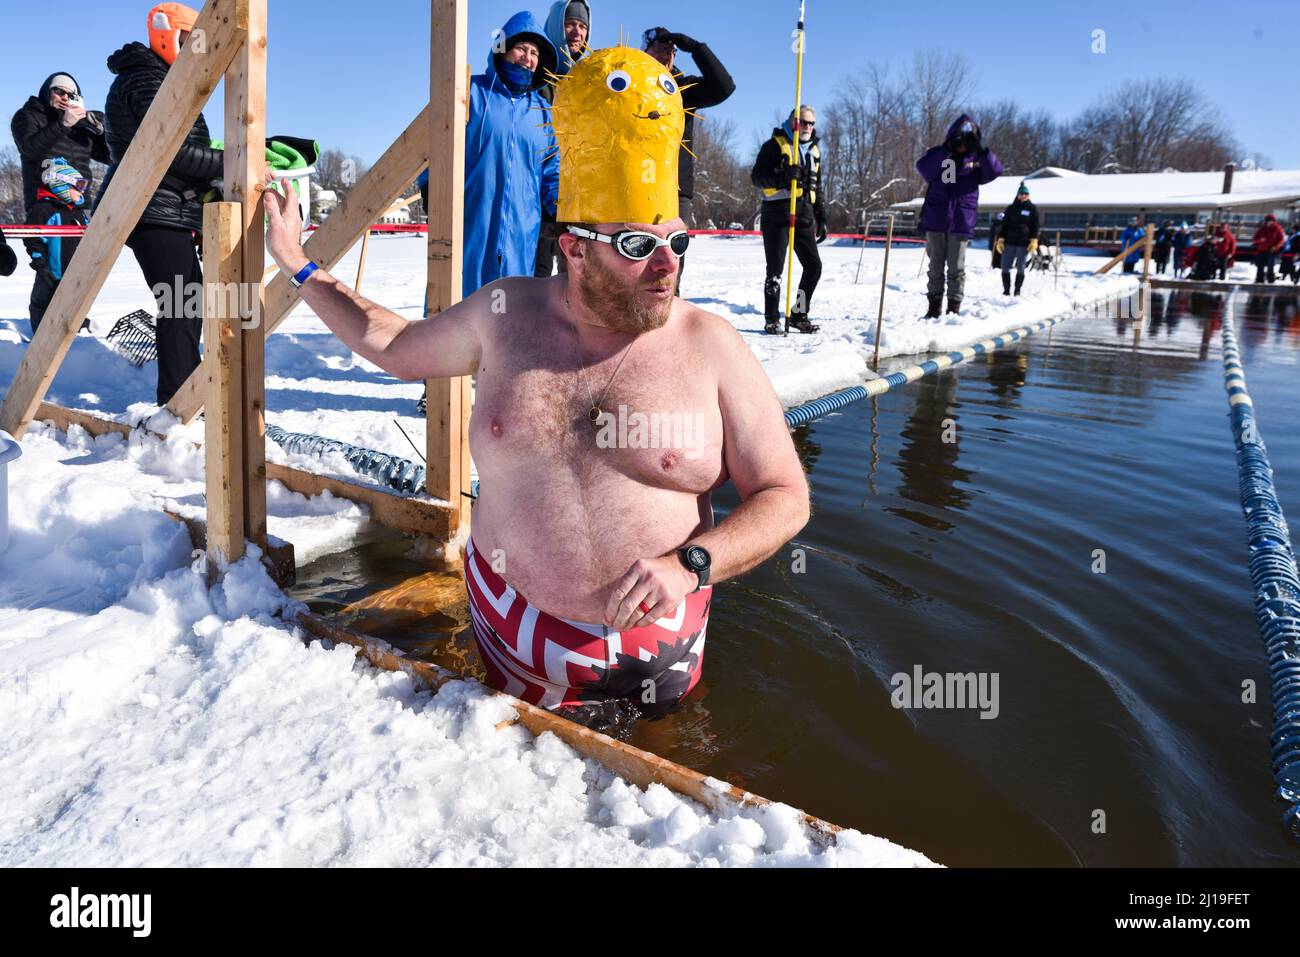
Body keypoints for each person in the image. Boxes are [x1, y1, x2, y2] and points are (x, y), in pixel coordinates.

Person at [262, 45, 810, 718]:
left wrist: (691, 564)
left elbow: (785, 495)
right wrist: (297, 262)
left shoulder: (711, 346)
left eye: (678, 242)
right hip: (507, 630)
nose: (667, 266)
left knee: (662, 766)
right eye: (638, 246)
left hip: (658, 651)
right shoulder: (505, 315)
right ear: (575, 248)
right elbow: (399, 347)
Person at [101, 3, 221, 406]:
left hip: (166, 207)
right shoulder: (146, 79)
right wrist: (237, 158)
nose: (193, 52)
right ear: (167, 35)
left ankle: (182, 396)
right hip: (150, 208)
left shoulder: (164, 78)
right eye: (188, 41)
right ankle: (178, 401)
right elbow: (175, 152)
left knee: (188, 299)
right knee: (181, 299)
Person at [463, 11, 559, 296]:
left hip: (521, 232)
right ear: (502, 49)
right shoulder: (470, 92)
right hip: (470, 223)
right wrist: (430, 183)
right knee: (457, 309)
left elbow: (551, 169)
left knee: (512, 315)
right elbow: (433, 138)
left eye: (534, 53)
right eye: (521, 48)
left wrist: (559, 208)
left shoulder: (542, 112)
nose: (527, 58)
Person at [11, 71, 108, 332]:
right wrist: (63, 124)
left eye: (70, 94)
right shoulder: (28, 116)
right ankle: (43, 331)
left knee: (76, 270)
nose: (64, 97)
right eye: (59, 91)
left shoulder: (80, 125)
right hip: (44, 205)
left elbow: (111, 157)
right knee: (50, 270)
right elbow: (30, 148)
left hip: (77, 206)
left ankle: (73, 324)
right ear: (47, 92)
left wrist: (102, 130)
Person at [642, 25, 735, 290]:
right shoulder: (631, 83)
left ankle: (671, 317)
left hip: (676, 189)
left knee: (671, 259)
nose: (665, 54)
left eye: (670, 50)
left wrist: (695, 47)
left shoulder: (683, 89)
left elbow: (724, 87)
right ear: (644, 51)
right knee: (637, 255)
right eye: (658, 48)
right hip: (638, 183)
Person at [915, 114, 1002, 316]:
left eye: (967, 140)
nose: (963, 145)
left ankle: (953, 311)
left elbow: (994, 171)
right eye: (959, 139)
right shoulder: (943, 157)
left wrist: (981, 151)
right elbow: (925, 170)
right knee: (935, 268)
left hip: (961, 222)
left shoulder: (977, 161)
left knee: (956, 269)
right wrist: (947, 150)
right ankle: (933, 309)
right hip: (937, 220)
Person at [751, 105, 825, 335]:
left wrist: (821, 216)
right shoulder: (774, 145)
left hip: (804, 216)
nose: (808, 127)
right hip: (777, 216)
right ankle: (772, 319)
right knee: (775, 270)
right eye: (803, 122)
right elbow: (757, 177)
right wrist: (783, 177)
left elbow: (817, 186)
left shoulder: (813, 151)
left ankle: (799, 313)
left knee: (813, 267)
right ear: (793, 122)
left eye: (811, 123)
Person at [534, 1, 592, 279]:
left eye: (583, 26)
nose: (577, 32)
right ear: (556, 26)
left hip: (576, 198)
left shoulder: (589, 82)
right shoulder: (535, 74)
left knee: (573, 284)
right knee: (535, 280)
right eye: (570, 24)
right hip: (536, 195)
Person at [24, 158, 90, 334]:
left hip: (75, 273)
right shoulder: (44, 210)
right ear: (63, 185)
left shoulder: (77, 213)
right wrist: (40, 264)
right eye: (80, 185)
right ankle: (40, 338)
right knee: (42, 304)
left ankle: (78, 338)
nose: (83, 191)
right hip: (51, 273)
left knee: (74, 305)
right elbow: (33, 239)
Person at [994, 183, 1039, 296]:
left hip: (1023, 243)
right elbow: (1004, 225)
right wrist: (1001, 239)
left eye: (1026, 194)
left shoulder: (1032, 209)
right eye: (1021, 193)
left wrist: (1034, 239)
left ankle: (1017, 290)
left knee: (1021, 267)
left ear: (1028, 195)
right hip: (1009, 241)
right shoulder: (1011, 208)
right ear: (1017, 195)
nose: (1023, 195)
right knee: (1005, 266)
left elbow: (1035, 226)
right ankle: (1006, 290)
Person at [1250, 214, 1286, 284]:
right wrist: (1260, 240)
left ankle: (1271, 280)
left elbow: (1281, 240)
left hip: (1271, 250)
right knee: (1260, 265)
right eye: (1268, 221)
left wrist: (1276, 247)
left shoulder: (1277, 228)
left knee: (1270, 265)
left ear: (1273, 221)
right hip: (1262, 250)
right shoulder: (1262, 228)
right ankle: (1259, 279)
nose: (1269, 222)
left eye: (1271, 221)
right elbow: (1254, 239)